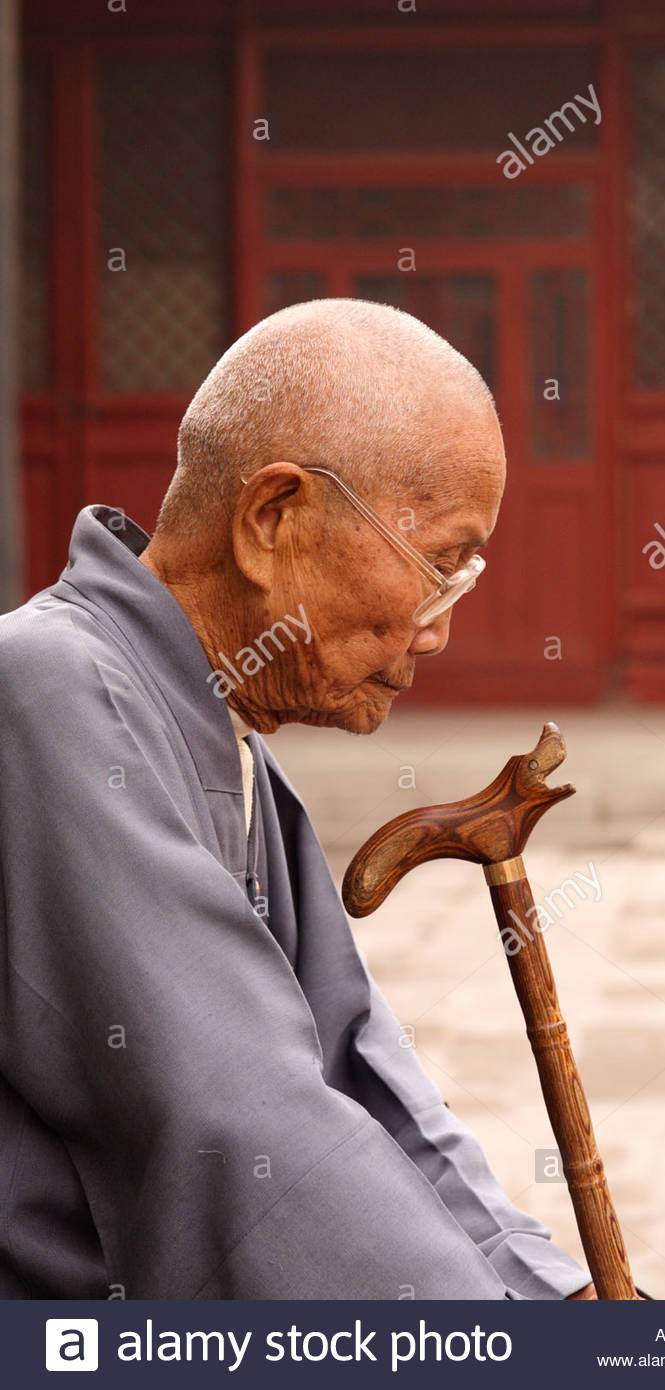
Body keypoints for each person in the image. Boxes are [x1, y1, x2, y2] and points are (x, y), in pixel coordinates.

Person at [0, 299, 595, 1299]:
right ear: (275, 517)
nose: (438, 629)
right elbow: (240, 1116)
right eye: (439, 565)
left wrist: (544, 1292)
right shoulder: (47, 691)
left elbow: (355, 1066)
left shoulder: (232, 745)